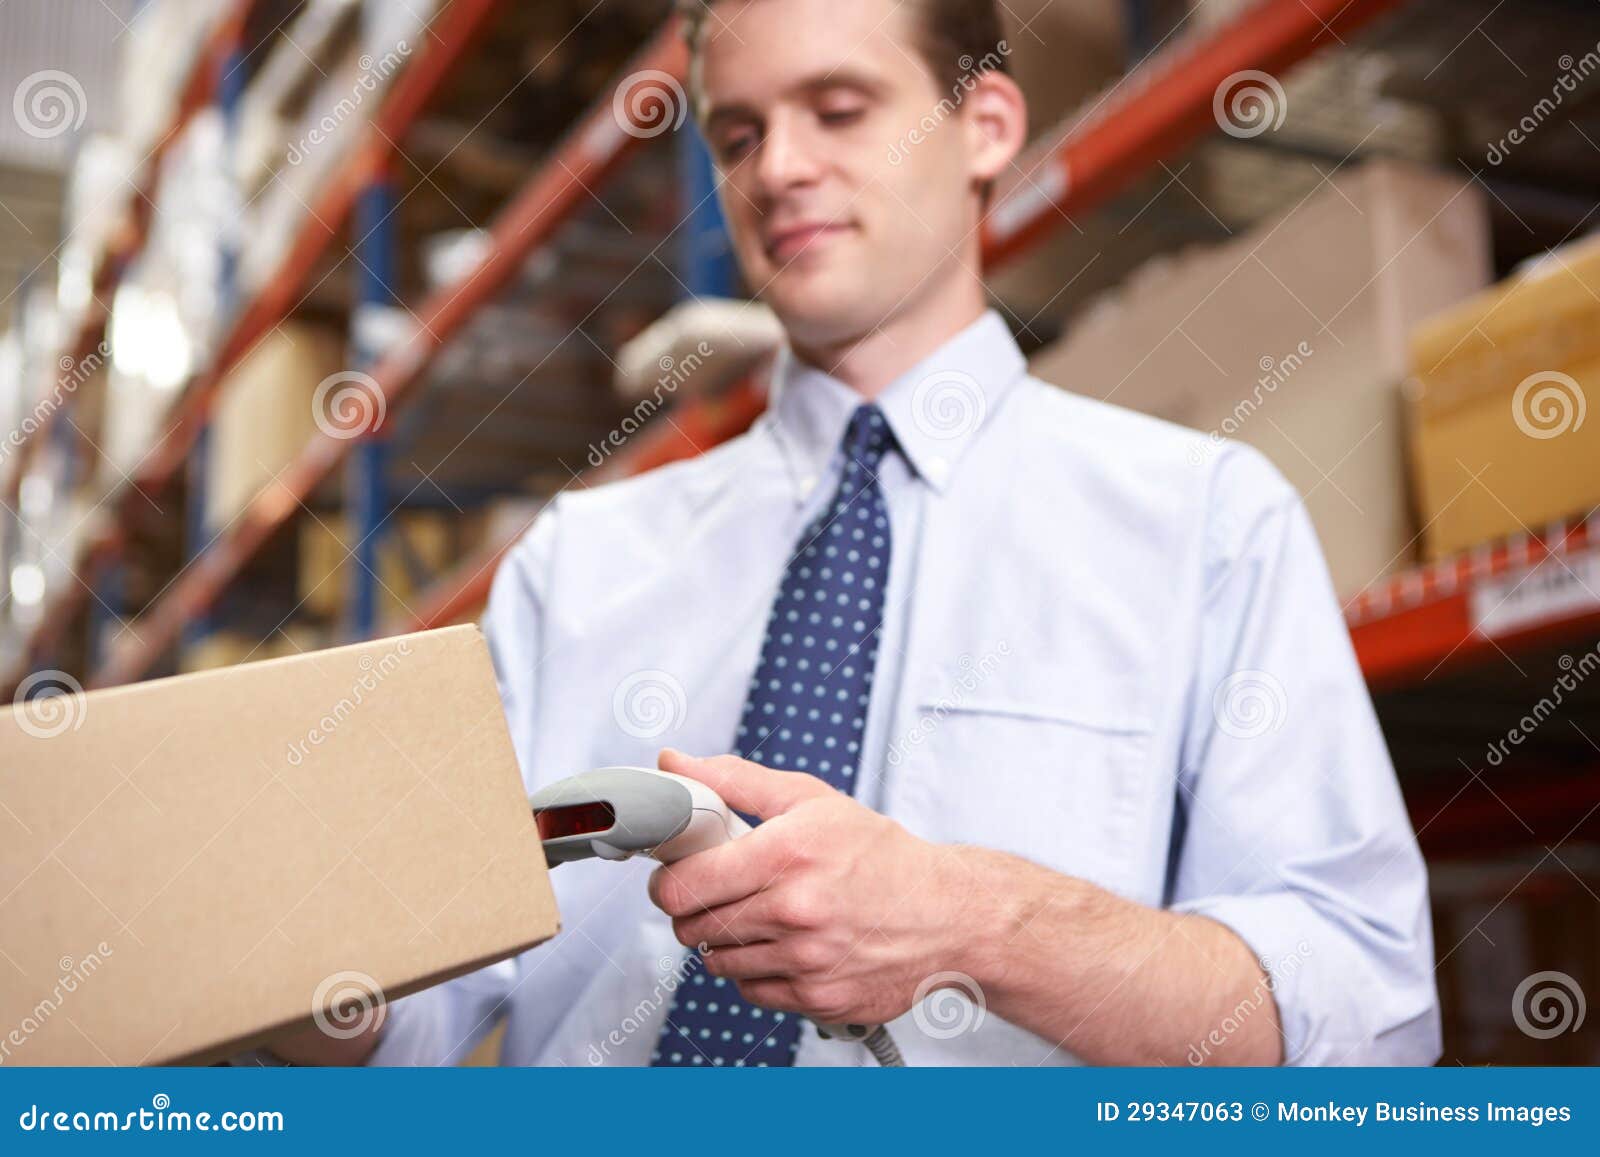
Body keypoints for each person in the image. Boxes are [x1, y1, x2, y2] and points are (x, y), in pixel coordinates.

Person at [270, 0, 1439, 1067]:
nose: (778, 168)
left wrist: (973, 917)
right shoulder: (579, 563)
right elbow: (423, 1019)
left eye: (839, 110)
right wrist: (285, 971)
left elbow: (1365, 1011)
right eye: (736, 136)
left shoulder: (1202, 524)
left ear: (984, 126)